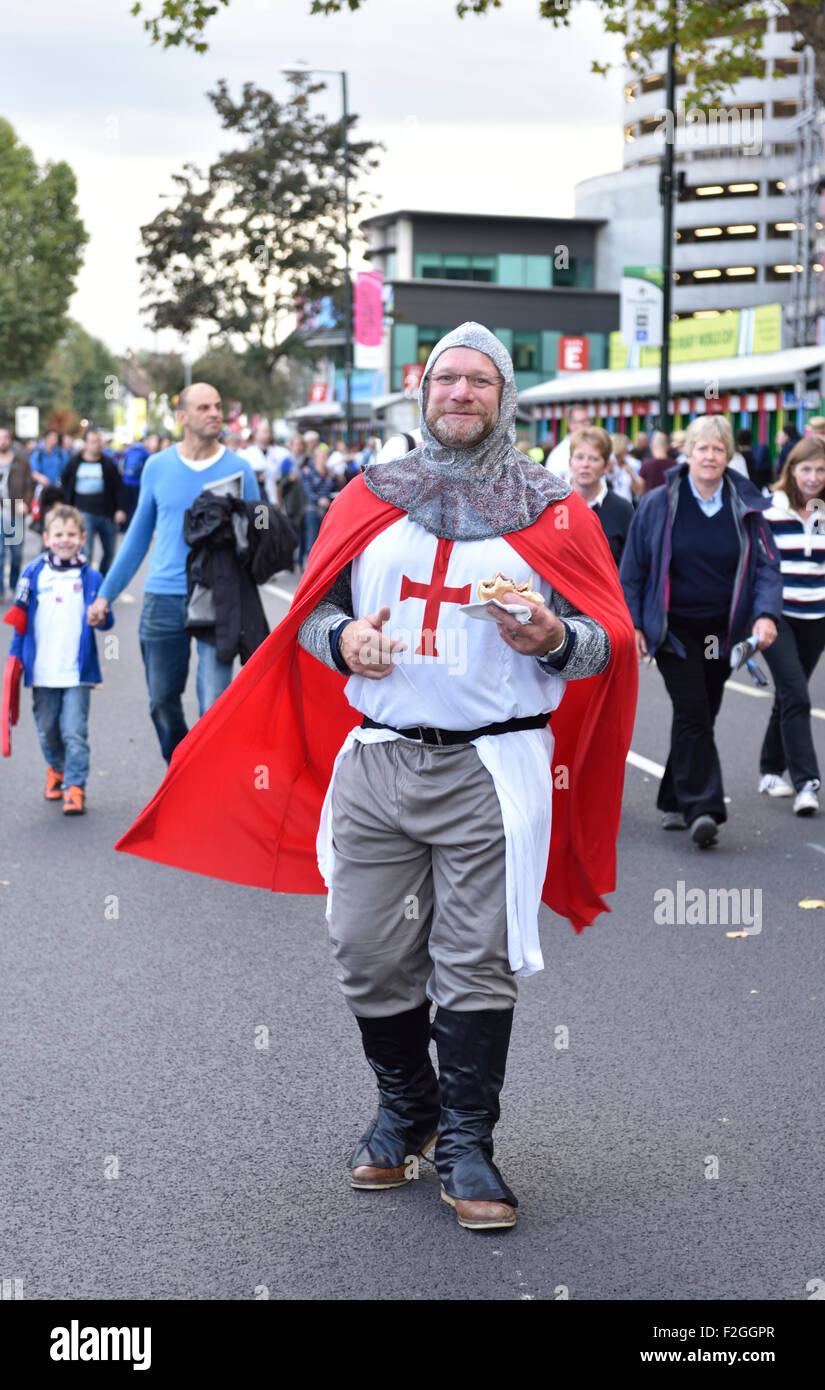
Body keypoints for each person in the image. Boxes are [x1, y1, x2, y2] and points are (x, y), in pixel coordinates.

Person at [115, 323, 637, 1233]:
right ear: (423, 389)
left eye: (480, 381)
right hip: (379, 758)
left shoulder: (554, 506)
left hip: (490, 765)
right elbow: (312, 610)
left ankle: (469, 1140)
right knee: (364, 950)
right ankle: (410, 1104)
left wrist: (553, 639)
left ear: (502, 396)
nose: (462, 393)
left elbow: (607, 644)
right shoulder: (370, 495)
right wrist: (343, 638)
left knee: (473, 960)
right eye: (448, 379)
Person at [620, 413, 782, 847]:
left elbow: (767, 566)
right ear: (687, 452)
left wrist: (766, 614)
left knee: (702, 713)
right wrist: (634, 622)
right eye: (702, 447)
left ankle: (674, 796)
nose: (709, 456)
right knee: (693, 710)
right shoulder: (659, 502)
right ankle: (703, 808)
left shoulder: (744, 504)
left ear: (728, 455)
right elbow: (633, 569)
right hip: (674, 630)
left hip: (725, 633)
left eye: (718, 448)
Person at [86, 383, 260, 763]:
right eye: (204, 407)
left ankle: (202, 783)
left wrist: (254, 526)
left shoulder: (241, 469)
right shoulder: (157, 466)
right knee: (162, 699)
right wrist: (105, 594)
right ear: (182, 417)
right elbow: (136, 538)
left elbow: (262, 529)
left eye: (218, 406)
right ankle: (180, 761)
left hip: (219, 595)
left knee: (215, 702)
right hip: (163, 595)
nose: (215, 413)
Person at [3, 503, 114, 815]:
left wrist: (101, 617)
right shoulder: (33, 574)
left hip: (78, 672)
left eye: (71, 534)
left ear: (82, 537)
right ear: (48, 537)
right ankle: (57, 769)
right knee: (48, 729)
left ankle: (75, 787)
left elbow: (108, 621)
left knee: (74, 732)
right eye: (58, 534)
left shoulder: (92, 577)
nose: (64, 540)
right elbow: (20, 622)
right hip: (42, 671)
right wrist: (15, 661)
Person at [758, 437, 825, 814]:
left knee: (787, 696)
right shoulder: (771, 511)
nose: (813, 477)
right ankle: (807, 784)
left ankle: (769, 770)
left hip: (817, 618)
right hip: (778, 617)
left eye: (820, 470)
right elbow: (759, 566)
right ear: (792, 471)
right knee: (798, 696)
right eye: (806, 469)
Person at [61, 429, 127, 576]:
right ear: (85, 444)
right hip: (83, 513)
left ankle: (102, 583)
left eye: (98, 442)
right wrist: (69, 507)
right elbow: (65, 484)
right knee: (86, 552)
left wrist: (121, 509)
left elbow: (119, 488)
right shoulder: (74, 462)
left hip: (107, 513)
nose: (96, 445)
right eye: (92, 442)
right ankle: (86, 584)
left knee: (110, 553)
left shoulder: (108, 463)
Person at [568, 427, 634, 566]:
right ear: (570, 463)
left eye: (593, 459)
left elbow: (631, 566)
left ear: (606, 466)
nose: (585, 464)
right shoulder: (552, 506)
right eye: (579, 457)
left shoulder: (623, 510)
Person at [0, 427, 34, 601]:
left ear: (10, 440)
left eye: (5, 437)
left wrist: (26, 503)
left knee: (16, 554)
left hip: (14, 509)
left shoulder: (21, 461)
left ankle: (14, 585)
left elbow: (30, 485)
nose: (2, 441)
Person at [240, 423, 289, 506]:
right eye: (264, 432)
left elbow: (280, 479)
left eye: (268, 432)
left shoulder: (280, 453)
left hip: (274, 501)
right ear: (256, 435)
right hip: (255, 503)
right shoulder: (245, 455)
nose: (267, 435)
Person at [544, 404, 590, 480]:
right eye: (582, 421)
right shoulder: (558, 454)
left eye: (588, 421)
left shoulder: (598, 447)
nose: (587, 425)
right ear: (571, 425)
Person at [121, 433, 159, 524]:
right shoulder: (145, 453)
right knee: (136, 506)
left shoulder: (128, 451)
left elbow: (123, 465)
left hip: (126, 481)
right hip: (138, 483)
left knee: (128, 505)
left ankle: (126, 524)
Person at [608, 433, 644, 504]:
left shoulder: (631, 463)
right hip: (610, 505)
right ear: (620, 447)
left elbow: (639, 491)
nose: (628, 450)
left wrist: (632, 474)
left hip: (627, 505)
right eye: (627, 447)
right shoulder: (607, 463)